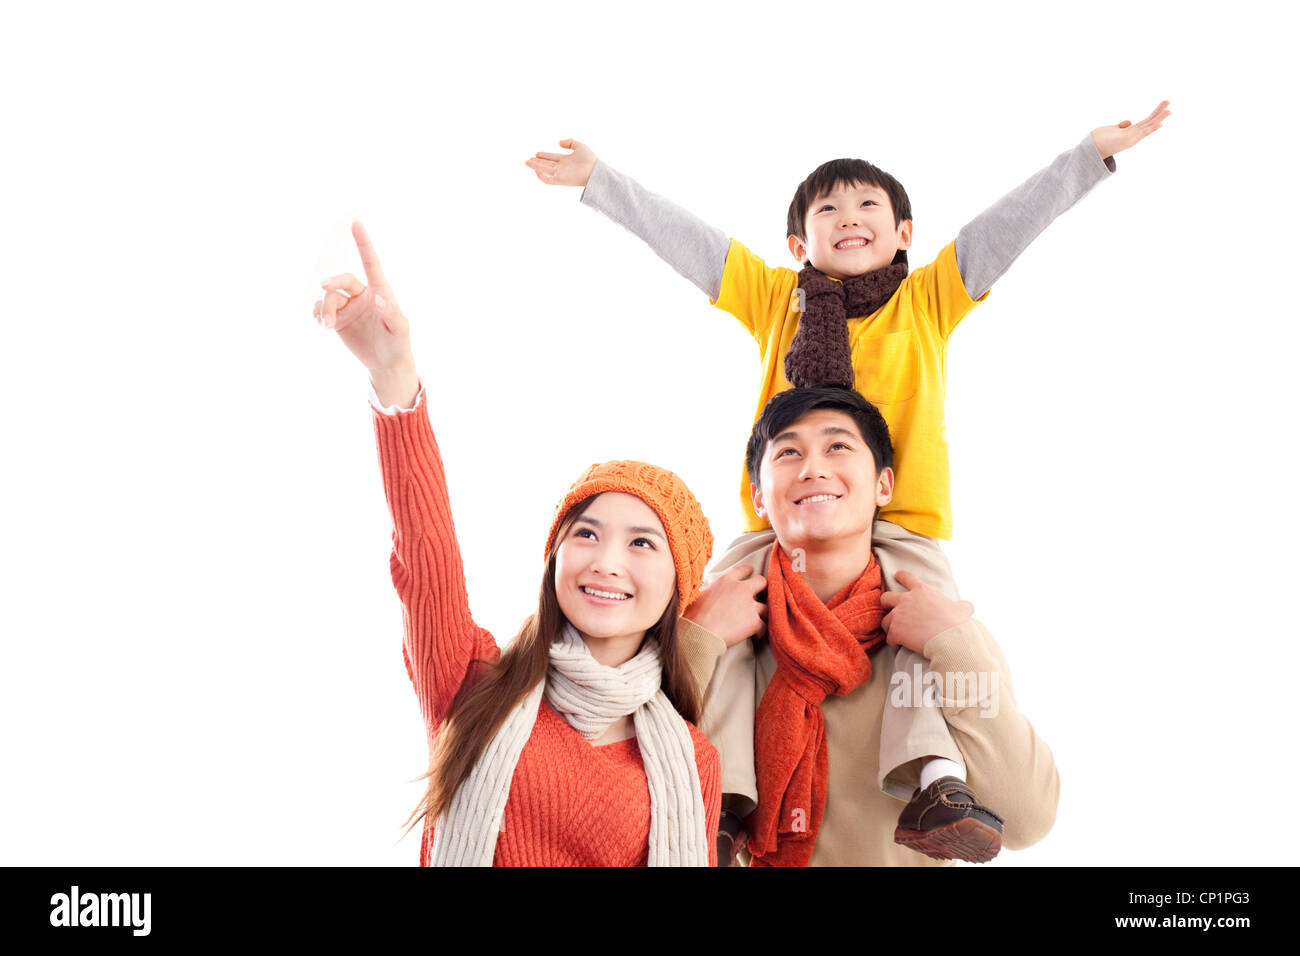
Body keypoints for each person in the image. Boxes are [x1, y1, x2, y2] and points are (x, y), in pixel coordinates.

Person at [525, 102, 1167, 861]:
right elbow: (691, 243)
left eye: (870, 205)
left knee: (917, 653)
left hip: (908, 531)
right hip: (772, 538)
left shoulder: (927, 300)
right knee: (721, 645)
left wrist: (1088, 156)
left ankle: (937, 782)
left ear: (905, 234)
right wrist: (600, 180)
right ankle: (727, 805)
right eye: (828, 210)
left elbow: (1007, 229)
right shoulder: (777, 300)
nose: (850, 217)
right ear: (800, 242)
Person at [312, 222, 721, 866]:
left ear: (678, 587)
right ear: (556, 557)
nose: (606, 561)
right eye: (585, 533)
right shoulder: (472, 682)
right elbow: (426, 560)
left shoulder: (690, 759)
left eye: (643, 544)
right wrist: (395, 377)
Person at [680, 384, 1059, 866]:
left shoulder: (943, 631)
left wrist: (953, 644)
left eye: (837, 446)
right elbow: (625, 783)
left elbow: (1028, 818)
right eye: (789, 452)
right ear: (758, 497)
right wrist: (696, 639)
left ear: (884, 484)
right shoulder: (717, 629)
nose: (813, 468)